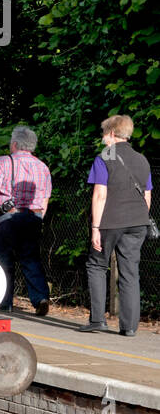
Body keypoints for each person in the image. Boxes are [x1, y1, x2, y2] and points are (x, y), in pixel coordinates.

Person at [82, 115, 152, 336]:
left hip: (110, 222)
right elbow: (147, 195)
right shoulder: (142, 159)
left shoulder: (104, 157)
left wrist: (95, 227)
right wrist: (139, 216)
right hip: (138, 222)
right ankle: (129, 327)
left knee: (97, 265)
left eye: (104, 133)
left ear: (112, 133)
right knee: (130, 271)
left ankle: (97, 320)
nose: (103, 138)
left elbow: (100, 194)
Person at [0, 125, 53, 316]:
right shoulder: (43, 167)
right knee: (31, 258)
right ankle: (40, 298)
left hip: (8, 218)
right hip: (34, 217)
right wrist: (39, 218)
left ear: (14, 143)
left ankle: (4, 302)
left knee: (3, 260)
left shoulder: (3, 162)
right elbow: (45, 199)